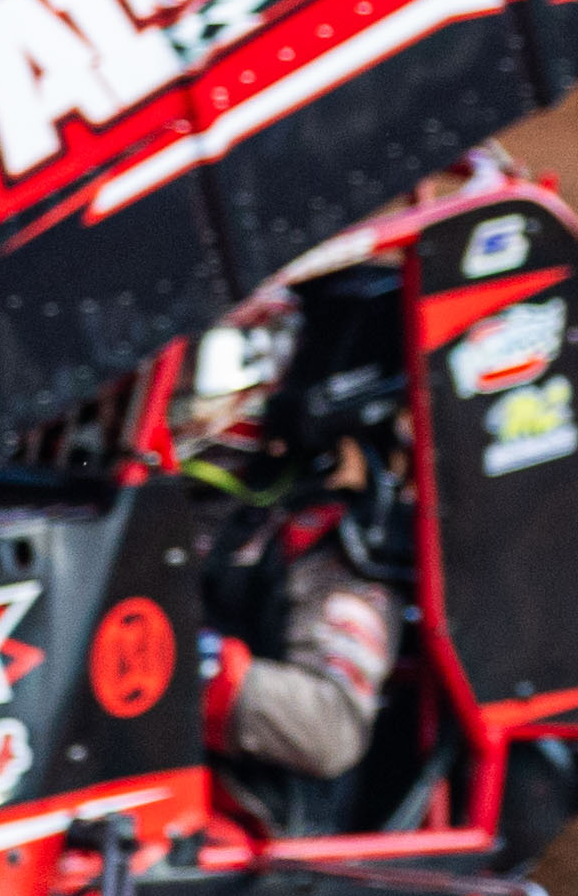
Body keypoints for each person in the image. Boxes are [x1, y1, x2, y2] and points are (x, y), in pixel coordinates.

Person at [175, 278, 408, 811]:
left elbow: (330, 726)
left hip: (244, 818)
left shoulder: (320, 538)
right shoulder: (143, 514)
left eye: (189, 366)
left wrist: (184, 669)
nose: (168, 389)